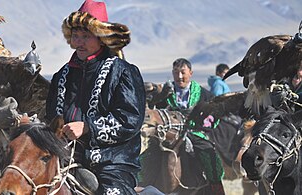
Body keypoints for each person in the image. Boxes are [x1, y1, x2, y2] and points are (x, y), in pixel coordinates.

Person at [45, 0, 146, 194]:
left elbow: (130, 120)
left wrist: (88, 128)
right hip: (66, 158)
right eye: (76, 36)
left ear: (101, 38)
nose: (79, 42)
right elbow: (51, 116)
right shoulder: (62, 75)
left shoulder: (123, 72)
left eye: (86, 36)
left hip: (113, 162)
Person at [147, 58, 226, 195]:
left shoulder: (204, 94)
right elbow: (154, 111)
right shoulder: (165, 92)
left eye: (183, 72)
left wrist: (202, 122)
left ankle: (215, 187)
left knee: (208, 152)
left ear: (191, 73)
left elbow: (215, 114)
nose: (179, 77)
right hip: (167, 132)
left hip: (194, 132)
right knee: (148, 153)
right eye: (176, 73)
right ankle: (142, 185)